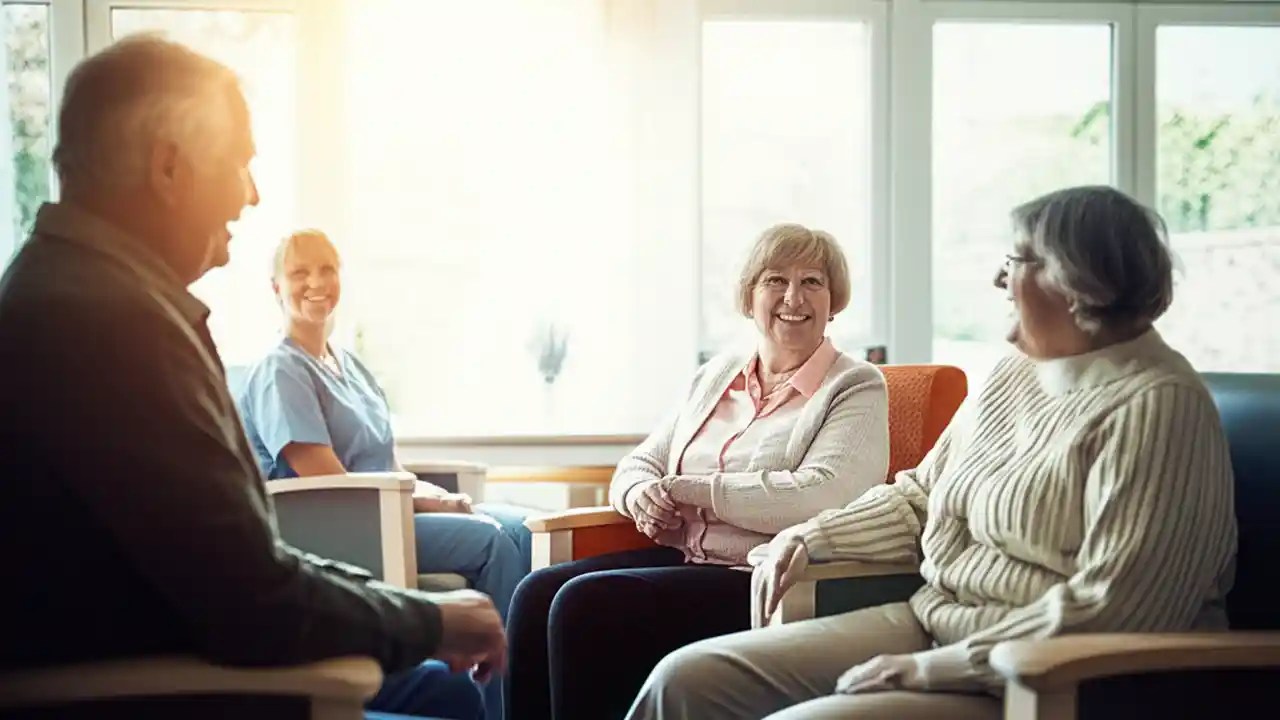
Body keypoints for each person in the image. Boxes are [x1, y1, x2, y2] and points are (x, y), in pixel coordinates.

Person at [0, 35, 503, 720]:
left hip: (181, 650)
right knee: (447, 697)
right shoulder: (107, 325)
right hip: (170, 684)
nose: (252, 193)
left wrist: (416, 613)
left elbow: (242, 558)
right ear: (169, 167)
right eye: (240, 163)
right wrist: (429, 622)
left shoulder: (83, 294)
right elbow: (251, 596)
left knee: (440, 688)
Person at [626, 186, 1239, 720]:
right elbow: (921, 495)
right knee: (686, 682)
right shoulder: (1014, 375)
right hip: (935, 618)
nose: (1001, 280)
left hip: (1050, 675)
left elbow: (1118, 612)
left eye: (1017, 263)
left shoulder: (1158, 406)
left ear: (1080, 283)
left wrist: (936, 669)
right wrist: (813, 537)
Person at [507, 223, 891, 720]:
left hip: (764, 579)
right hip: (686, 562)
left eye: (812, 282)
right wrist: (642, 495)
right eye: (775, 280)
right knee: (535, 594)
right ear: (749, 297)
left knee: (587, 604)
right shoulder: (717, 377)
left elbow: (821, 496)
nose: (793, 297)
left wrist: (693, 491)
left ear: (833, 299)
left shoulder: (856, 386)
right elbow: (638, 465)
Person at [236, 228, 532, 718]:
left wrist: (437, 493)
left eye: (327, 269)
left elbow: (387, 462)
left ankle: (527, 694)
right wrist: (432, 503)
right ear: (275, 287)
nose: (316, 282)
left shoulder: (347, 364)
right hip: (351, 524)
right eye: (299, 272)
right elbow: (327, 480)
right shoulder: (280, 370)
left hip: (390, 508)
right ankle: (500, 707)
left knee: (520, 528)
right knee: (493, 542)